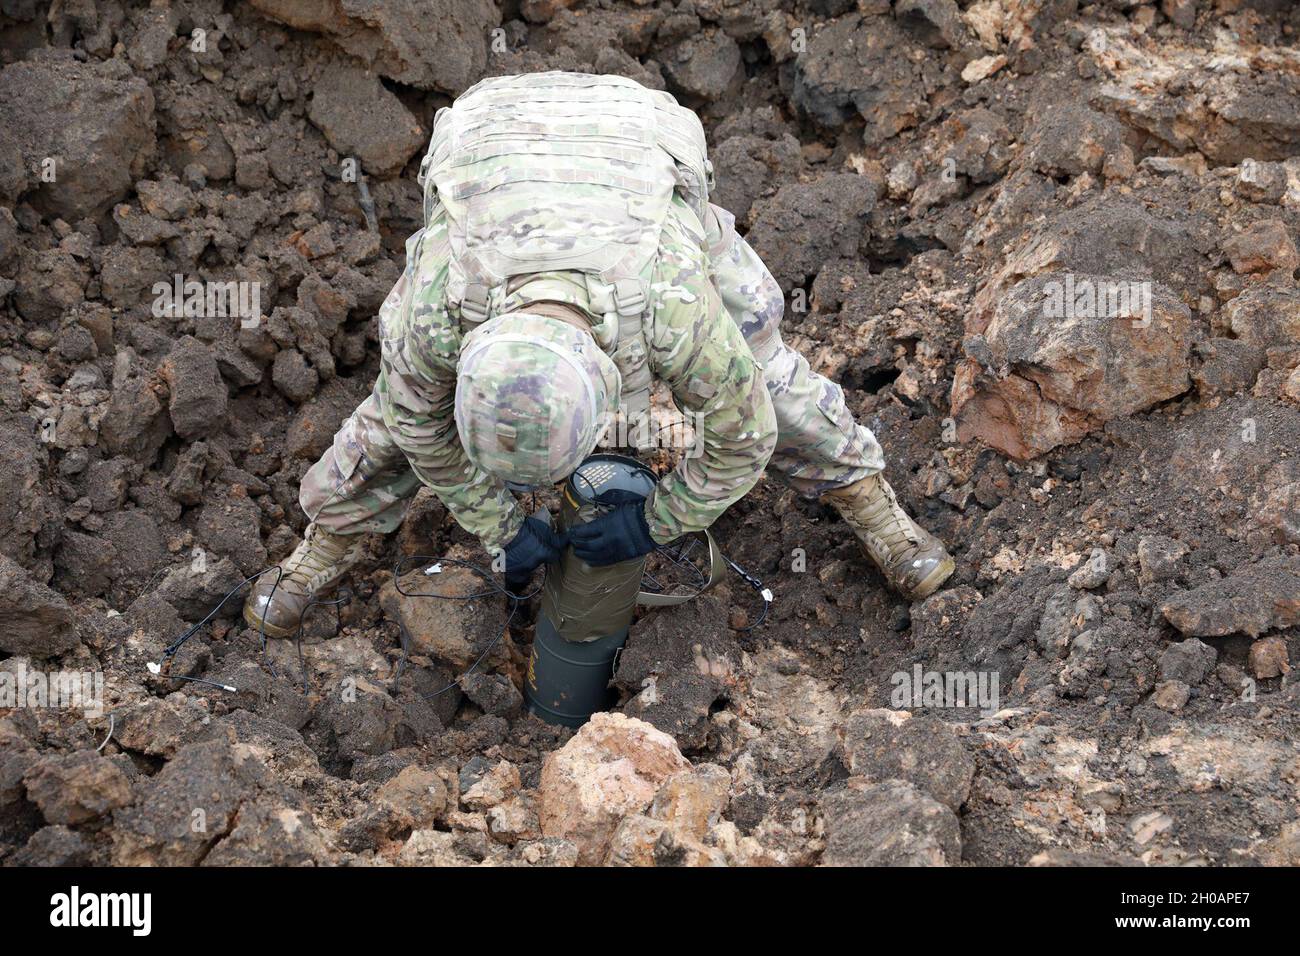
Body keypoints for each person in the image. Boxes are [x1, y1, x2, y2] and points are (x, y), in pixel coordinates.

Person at [244, 71, 954, 639]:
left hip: (636, 165)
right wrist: (498, 524)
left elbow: (745, 433)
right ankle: (325, 545)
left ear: (613, 381)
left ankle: (872, 507)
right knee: (390, 415)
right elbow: (416, 421)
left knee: (767, 375)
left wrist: (658, 520)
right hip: (498, 147)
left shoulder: (674, 306)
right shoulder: (436, 305)